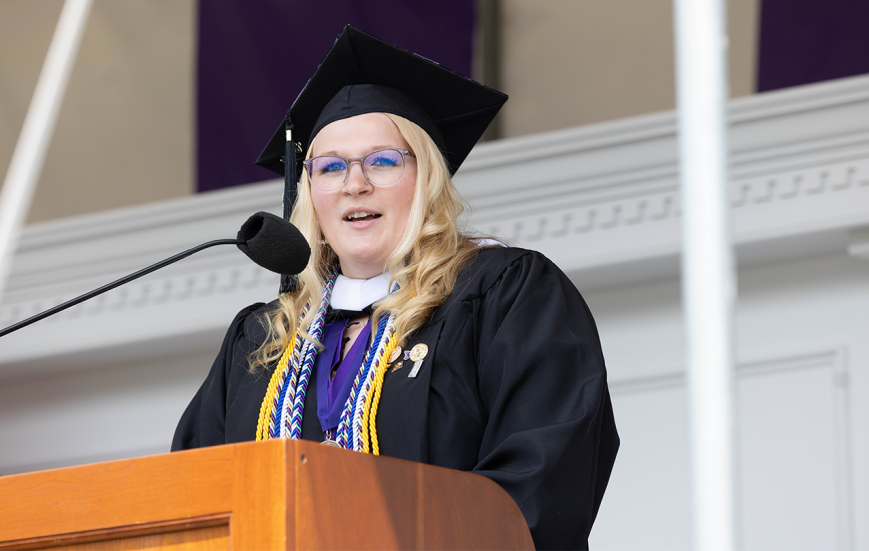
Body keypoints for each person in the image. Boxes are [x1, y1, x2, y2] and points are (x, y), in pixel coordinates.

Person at [172, 26, 618, 550]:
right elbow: (189, 504)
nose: (354, 183)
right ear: (308, 191)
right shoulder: (261, 340)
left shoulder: (504, 296)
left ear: (426, 177)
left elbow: (538, 484)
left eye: (382, 161)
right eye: (330, 167)